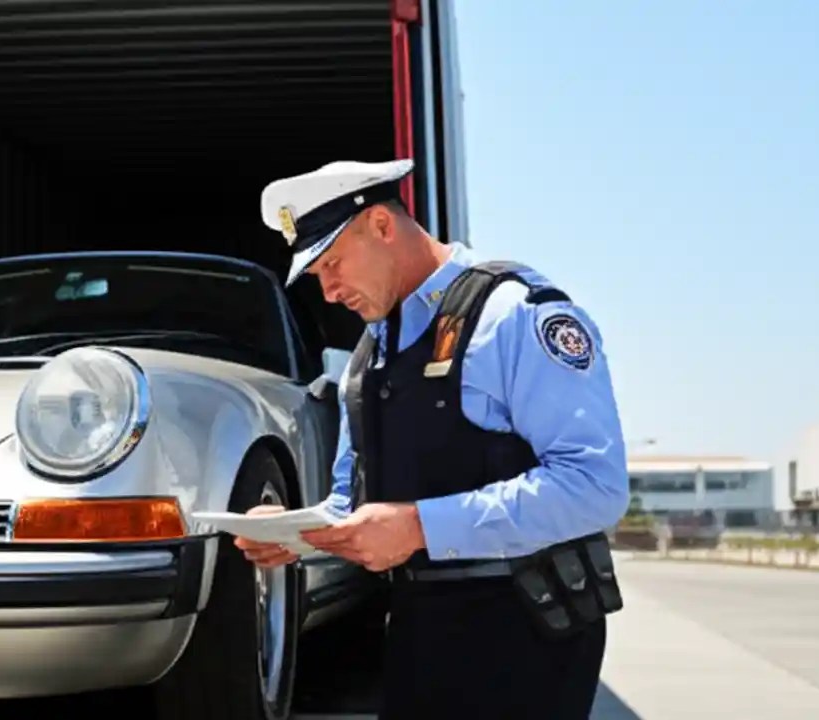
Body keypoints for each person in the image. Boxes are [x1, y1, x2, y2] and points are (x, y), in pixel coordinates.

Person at [235, 158, 631, 719]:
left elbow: (593, 487)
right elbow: (352, 506)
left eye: (333, 264)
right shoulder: (369, 357)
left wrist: (419, 526)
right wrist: (296, 538)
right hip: (419, 633)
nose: (328, 291)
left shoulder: (513, 316)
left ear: (380, 225)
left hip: (526, 637)